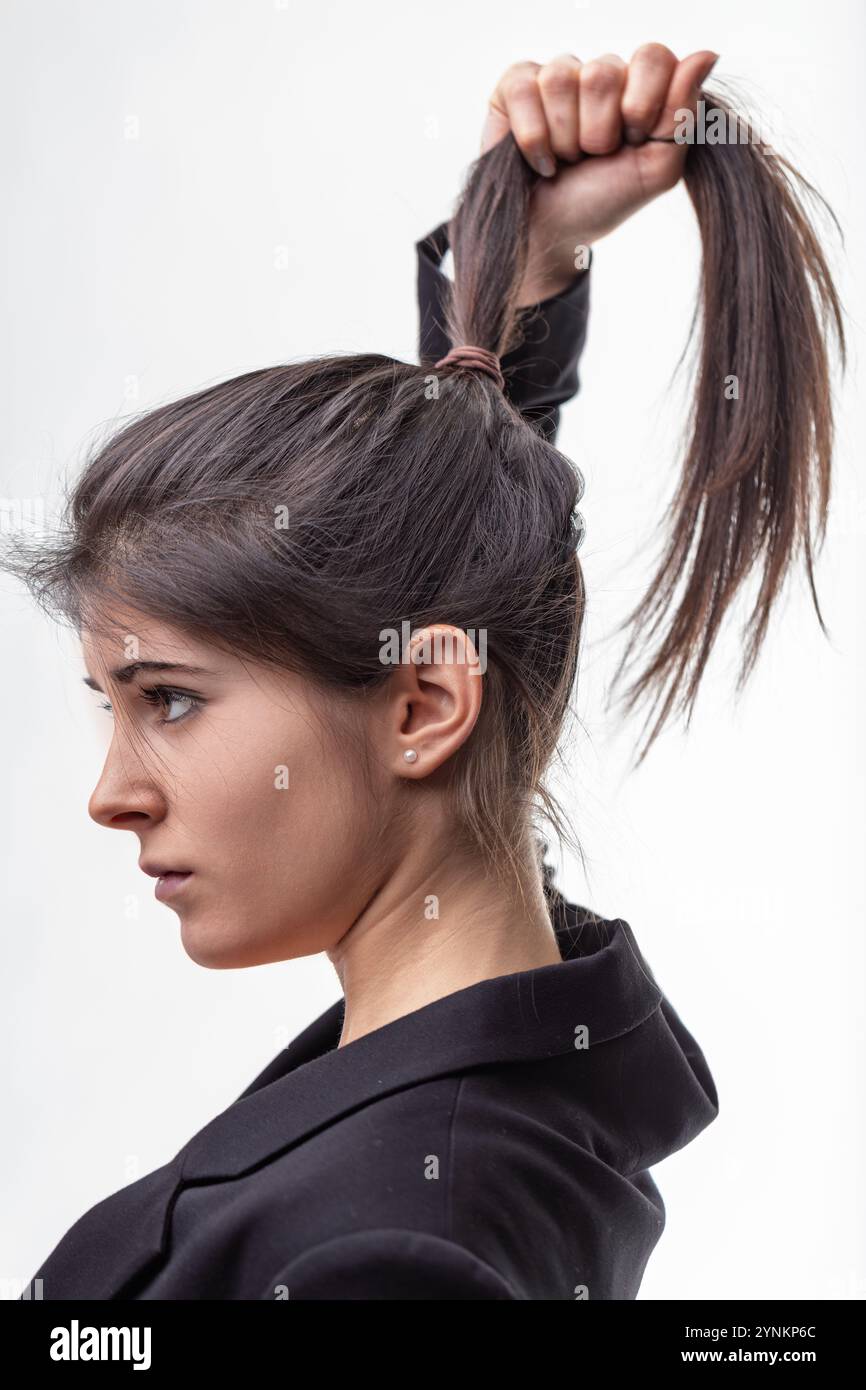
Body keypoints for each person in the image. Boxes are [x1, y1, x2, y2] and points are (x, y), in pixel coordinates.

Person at [7, 44, 843, 1299]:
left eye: (167, 700)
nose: (111, 793)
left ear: (423, 705)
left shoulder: (390, 1254)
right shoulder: (512, 1084)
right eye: (113, 708)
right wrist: (515, 289)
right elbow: (446, 592)